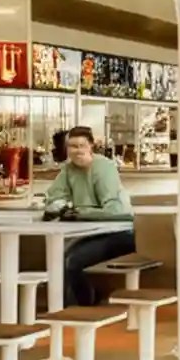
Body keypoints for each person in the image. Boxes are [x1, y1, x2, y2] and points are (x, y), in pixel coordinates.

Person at [44, 125, 136, 306]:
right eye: (72, 146)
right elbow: (52, 198)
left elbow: (116, 211)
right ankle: (62, 308)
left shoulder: (103, 168)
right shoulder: (68, 170)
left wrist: (80, 212)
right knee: (59, 257)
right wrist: (63, 207)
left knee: (73, 260)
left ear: (91, 146)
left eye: (81, 146)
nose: (77, 151)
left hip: (120, 233)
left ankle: (85, 305)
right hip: (91, 232)